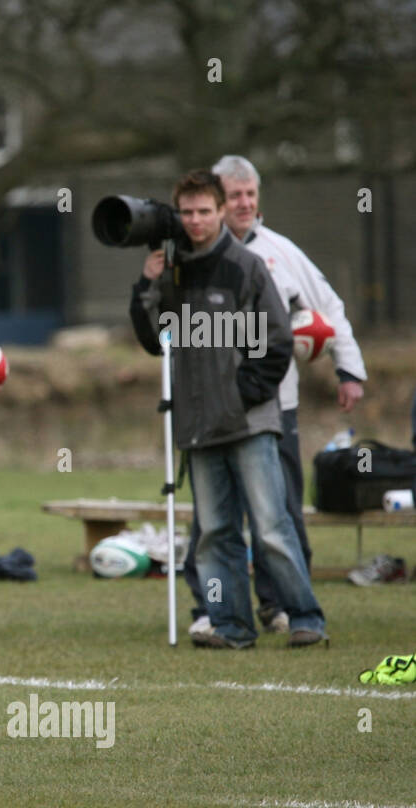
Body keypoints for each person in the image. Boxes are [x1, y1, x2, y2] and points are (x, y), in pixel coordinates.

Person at [129, 169, 327, 648]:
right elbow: (156, 342)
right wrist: (146, 285)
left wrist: (244, 395)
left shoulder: (246, 266)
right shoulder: (172, 268)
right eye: (187, 212)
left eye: (204, 211)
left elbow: (277, 341)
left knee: (272, 527)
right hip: (196, 426)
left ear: (221, 211)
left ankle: (305, 618)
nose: (195, 221)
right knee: (215, 534)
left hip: (249, 422)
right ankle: (230, 624)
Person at [184, 155, 367, 636]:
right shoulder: (188, 259)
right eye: (235, 195)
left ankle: (284, 606)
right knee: (212, 523)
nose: (244, 203)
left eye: (251, 194)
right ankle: (212, 608)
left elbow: (329, 311)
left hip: (271, 409)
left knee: (277, 516)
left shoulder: (281, 253)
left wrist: (349, 368)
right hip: (205, 415)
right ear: (218, 201)